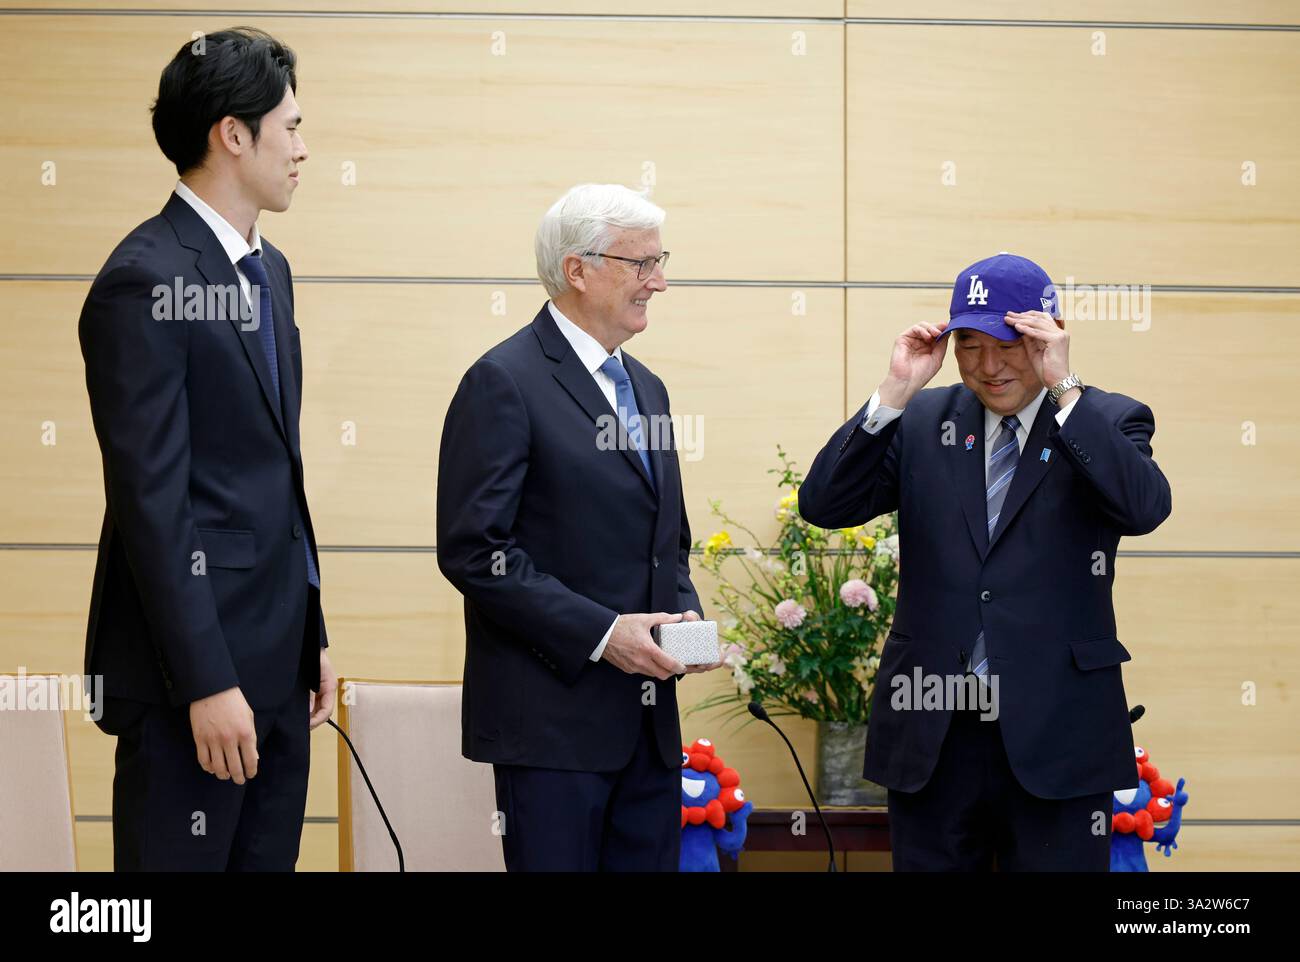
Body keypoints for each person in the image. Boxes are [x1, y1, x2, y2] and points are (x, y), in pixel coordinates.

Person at [799, 253, 1172, 870]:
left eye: (1010, 344)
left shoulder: (1102, 417)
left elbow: (1144, 508)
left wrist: (1064, 389)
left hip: (1058, 735)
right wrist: (895, 390)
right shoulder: (923, 420)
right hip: (934, 734)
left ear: (1047, 336)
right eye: (970, 346)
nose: (989, 366)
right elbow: (825, 504)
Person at [78, 27, 334, 871]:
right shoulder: (144, 278)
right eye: (290, 128)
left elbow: (275, 475)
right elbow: (152, 502)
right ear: (234, 133)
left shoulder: (272, 271)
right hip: (194, 682)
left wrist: (312, 632)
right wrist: (206, 682)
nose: (302, 149)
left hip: (278, 666)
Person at [437, 184, 719, 871]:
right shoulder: (503, 380)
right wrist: (602, 635)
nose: (660, 281)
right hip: (552, 732)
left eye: (661, 260)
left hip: (648, 728)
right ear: (578, 269)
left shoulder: (648, 387)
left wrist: (688, 624)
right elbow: (476, 551)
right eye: (641, 263)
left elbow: (666, 539)